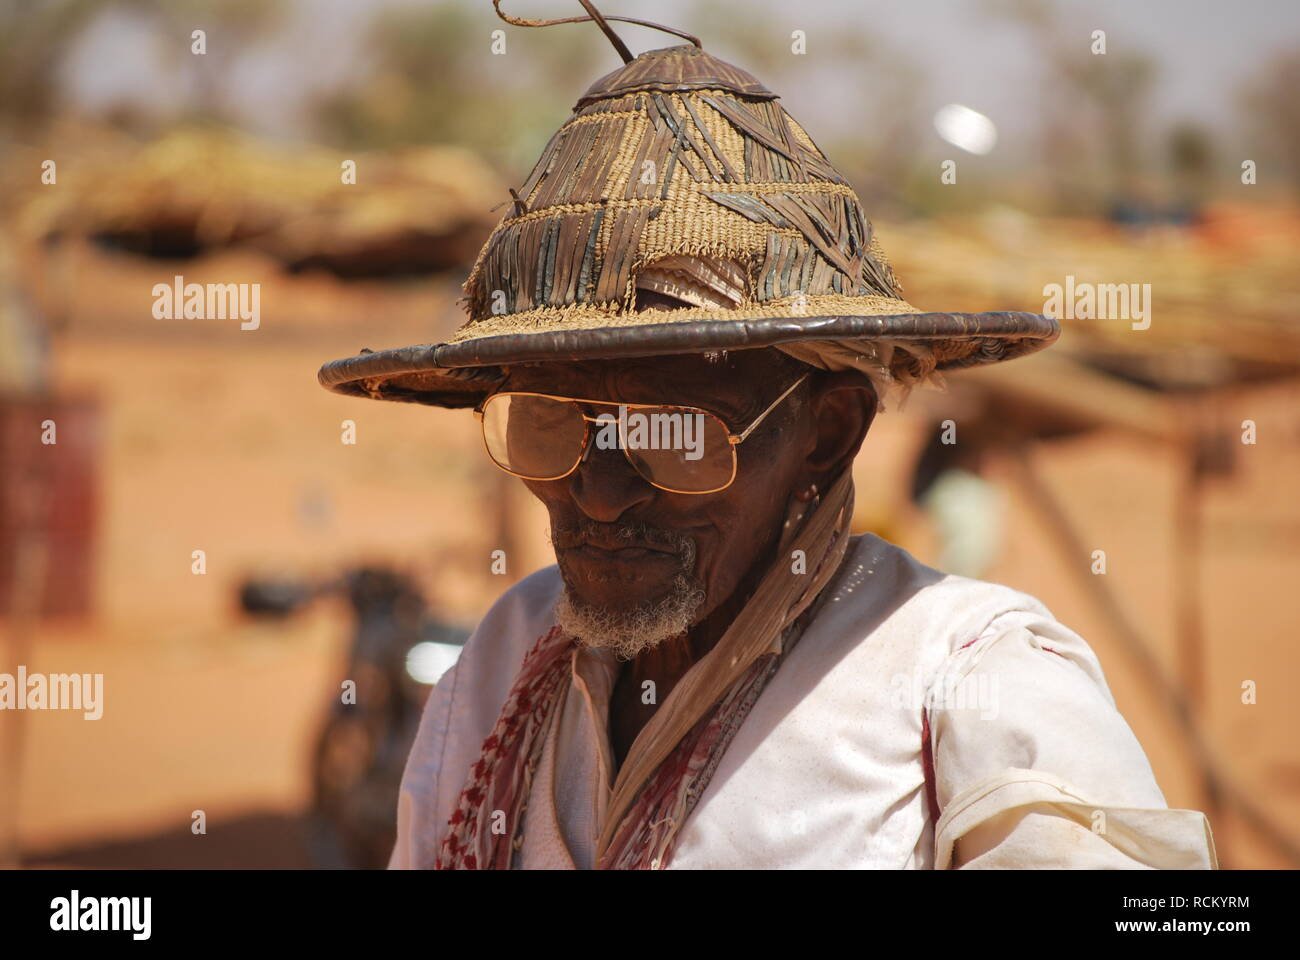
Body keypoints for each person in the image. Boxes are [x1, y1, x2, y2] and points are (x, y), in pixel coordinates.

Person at [317, 10, 1215, 870]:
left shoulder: (971, 687)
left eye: (670, 433)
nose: (595, 492)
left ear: (827, 435)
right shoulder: (502, 661)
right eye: (551, 424)